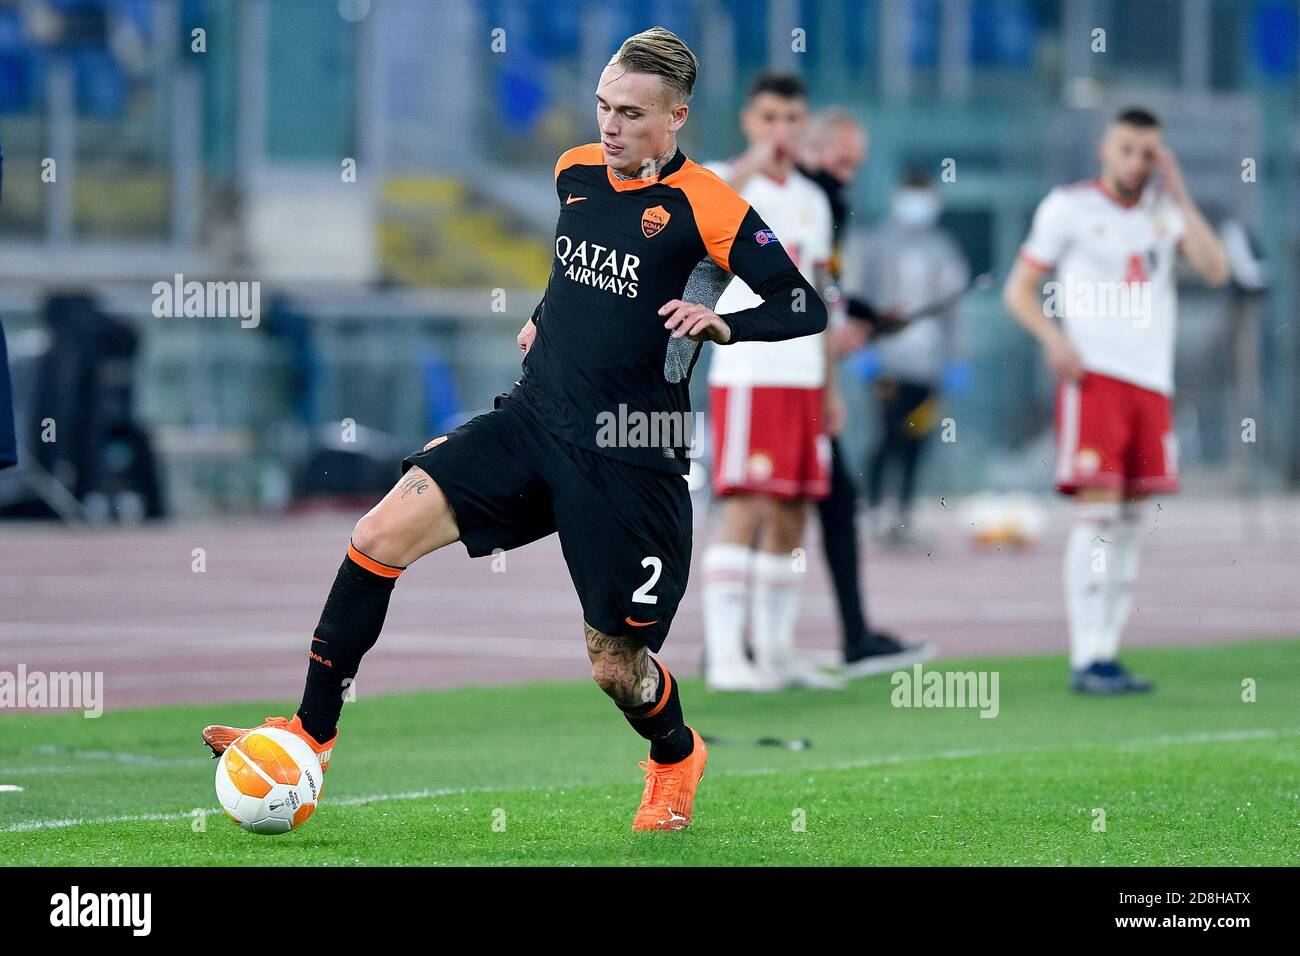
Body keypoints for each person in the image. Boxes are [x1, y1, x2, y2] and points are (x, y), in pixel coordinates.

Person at [201, 27, 827, 832]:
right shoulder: (574, 171)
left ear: (676, 117)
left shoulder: (710, 205)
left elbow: (803, 303)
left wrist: (724, 323)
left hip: (630, 451)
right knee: (376, 534)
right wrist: (542, 318)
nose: (610, 126)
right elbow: (578, 268)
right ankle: (309, 737)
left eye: (631, 114)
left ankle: (676, 754)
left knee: (616, 666)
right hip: (534, 418)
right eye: (603, 106)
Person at [1002, 107, 1228, 694]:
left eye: (1147, 152)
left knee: (1129, 523)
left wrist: (1180, 194)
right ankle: (1084, 656)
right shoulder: (1068, 207)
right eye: (1126, 149)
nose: (1135, 162)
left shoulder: (1164, 214)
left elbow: (1216, 269)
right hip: (1095, 378)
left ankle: (1107, 651)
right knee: (1098, 516)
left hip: (1151, 384)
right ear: (1106, 149)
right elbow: (1018, 290)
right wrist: (1053, 338)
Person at [699, 72, 843, 692]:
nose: (781, 130)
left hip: (804, 375)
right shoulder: (720, 181)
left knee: (792, 510)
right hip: (749, 372)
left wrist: (831, 385)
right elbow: (692, 222)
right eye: (769, 118)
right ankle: (726, 656)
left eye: (791, 119)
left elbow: (822, 295)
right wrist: (750, 165)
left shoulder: (813, 199)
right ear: (748, 122)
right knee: (746, 503)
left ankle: (778, 652)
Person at [797, 109, 934, 675]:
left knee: (831, 501)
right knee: (765, 509)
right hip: (778, 379)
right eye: (840, 161)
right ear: (811, 148)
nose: (847, 175)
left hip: (806, 375)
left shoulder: (825, 206)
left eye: (855, 166)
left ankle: (843, 636)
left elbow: (823, 290)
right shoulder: (798, 202)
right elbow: (793, 292)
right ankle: (740, 647)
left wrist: (870, 317)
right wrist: (832, 341)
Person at [845, 169, 968, 548]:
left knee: (917, 439)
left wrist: (955, 359)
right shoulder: (877, 243)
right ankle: (873, 512)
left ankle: (903, 515)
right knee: (885, 435)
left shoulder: (943, 248)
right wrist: (863, 348)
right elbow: (857, 297)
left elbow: (953, 310)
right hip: (886, 362)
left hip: (927, 366)